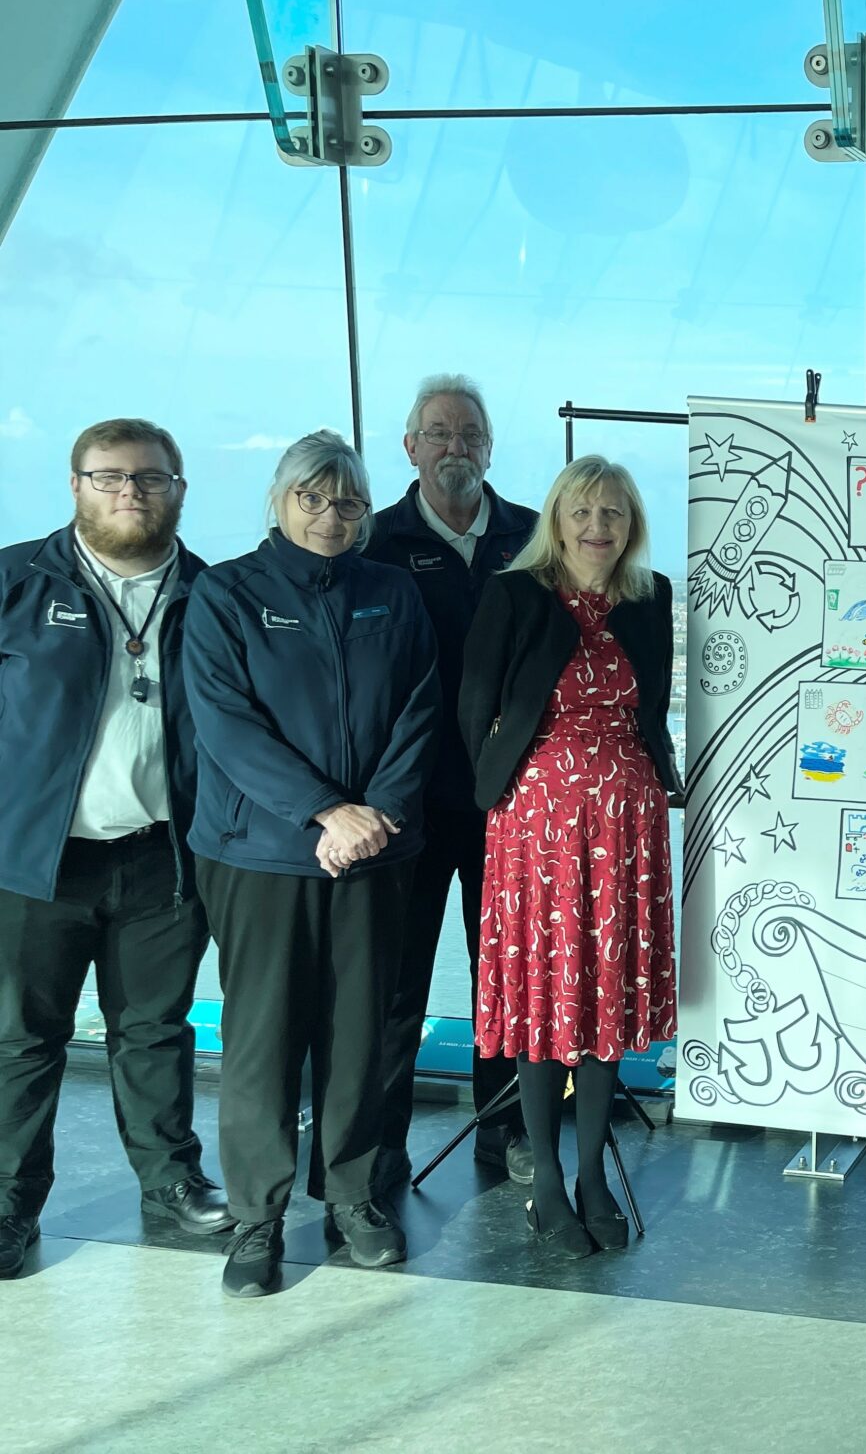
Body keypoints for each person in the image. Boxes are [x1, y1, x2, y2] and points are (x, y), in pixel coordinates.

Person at [184, 431, 440, 1297]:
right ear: (280, 499)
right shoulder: (226, 593)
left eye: (350, 502)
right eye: (314, 499)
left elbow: (419, 709)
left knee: (359, 1033)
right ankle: (259, 1219)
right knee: (261, 1040)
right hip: (260, 853)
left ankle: (355, 1198)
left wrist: (377, 815)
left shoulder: (391, 593)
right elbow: (224, 723)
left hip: (373, 851)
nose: (332, 516)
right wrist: (325, 811)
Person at [0, 420, 232, 1279]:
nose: (129, 491)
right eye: (108, 477)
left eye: (149, 478)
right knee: (23, 1039)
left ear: (178, 489)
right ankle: (9, 1210)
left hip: (161, 857)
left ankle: (171, 1188)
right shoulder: (15, 580)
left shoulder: (213, 596)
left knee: (155, 1031)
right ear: (74, 486)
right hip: (37, 860)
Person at [460, 456, 679, 1256]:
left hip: (628, 828)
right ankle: (546, 1183)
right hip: (537, 829)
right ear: (556, 520)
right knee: (547, 998)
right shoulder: (515, 595)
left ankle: (592, 1175)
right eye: (583, 513)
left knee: (603, 1001)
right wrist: (523, 797)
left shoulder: (650, 602)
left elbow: (653, 709)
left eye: (614, 515)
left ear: (632, 526)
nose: (597, 529)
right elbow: (475, 713)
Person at [367, 374, 539, 1190]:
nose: (455, 448)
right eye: (438, 433)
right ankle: (382, 1144)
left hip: (508, 805)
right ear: (410, 448)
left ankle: (501, 1133)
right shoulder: (373, 541)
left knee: (502, 980)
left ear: (490, 448)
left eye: (469, 434)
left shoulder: (537, 540)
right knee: (396, 985)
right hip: (404, 804)